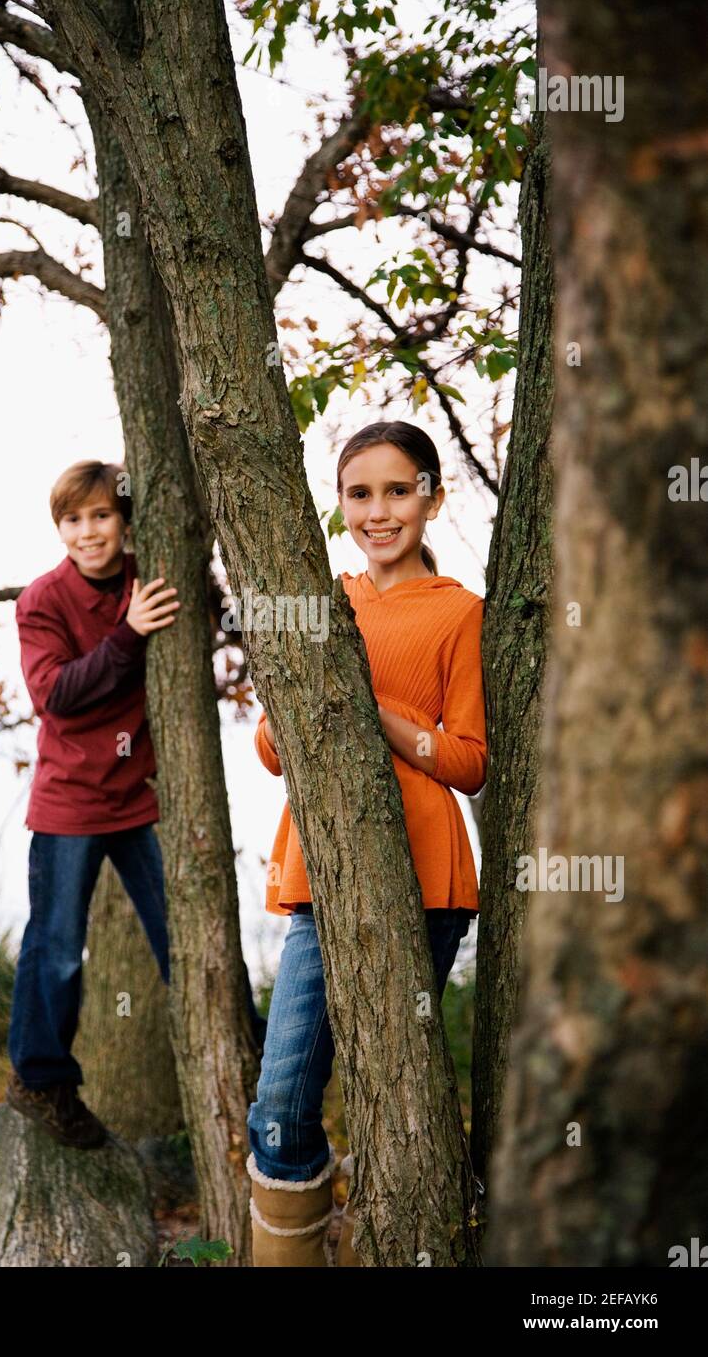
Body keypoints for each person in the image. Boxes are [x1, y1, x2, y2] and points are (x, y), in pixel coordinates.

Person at [245, 421, 488, 1265]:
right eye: (359, 493)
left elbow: (470, 761)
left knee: (398, 1091)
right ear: (339, 503)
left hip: (424, 878)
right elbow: (274, 748)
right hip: (321, 872)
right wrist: (304, 700)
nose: (378, 511)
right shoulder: (324, 596)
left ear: (431, 495)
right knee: (280, 1100)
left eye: (397, 490)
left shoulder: (462, 613)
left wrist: (373, 707)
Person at [6, 459, 266, 1149]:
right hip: (70, 803)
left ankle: (256, 1046)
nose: (89, 532)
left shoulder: (155, 571)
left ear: (123, 519)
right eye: (73, 519)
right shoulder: (43, 600)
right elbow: (55, 694)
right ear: (59, 529)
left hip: (143, 798)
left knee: (188, 934)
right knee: (58, 948)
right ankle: (44, 1081)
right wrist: (128, 633)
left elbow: (223, 617)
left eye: (101, 516)